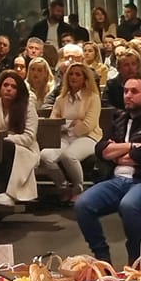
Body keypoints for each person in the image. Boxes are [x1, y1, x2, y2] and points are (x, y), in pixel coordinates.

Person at [73, 74, 141, 264]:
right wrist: (132, 146)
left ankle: (135, 260)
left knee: (129, 206)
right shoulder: (118, 119)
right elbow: (100, 149)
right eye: (126, 91)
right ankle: (102, 257)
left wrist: (118, 151)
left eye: (134, 91)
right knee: (82, 205)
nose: (128, 95)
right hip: (116, 180)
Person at [40, 58, 103, 193]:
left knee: (69, 156)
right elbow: (54, 122)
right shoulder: (60, 99)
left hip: (88, 137)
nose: (73, 77)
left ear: (85, 78)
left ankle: (78, 188)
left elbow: (88, 125)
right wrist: (72, 123)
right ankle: (63, 187)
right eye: (71, 74)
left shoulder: (93, 97)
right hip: (64, 137)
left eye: (78, 74)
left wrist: (65, 123)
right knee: (46, 155)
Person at [0, 70, 40, 206]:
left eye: (13, 87)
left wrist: (6, 139)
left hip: (25, 149)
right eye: (5, 85)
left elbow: (29, 137)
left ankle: (6, 192)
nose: (8, 89)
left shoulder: (27, 107)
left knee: (5, 147)